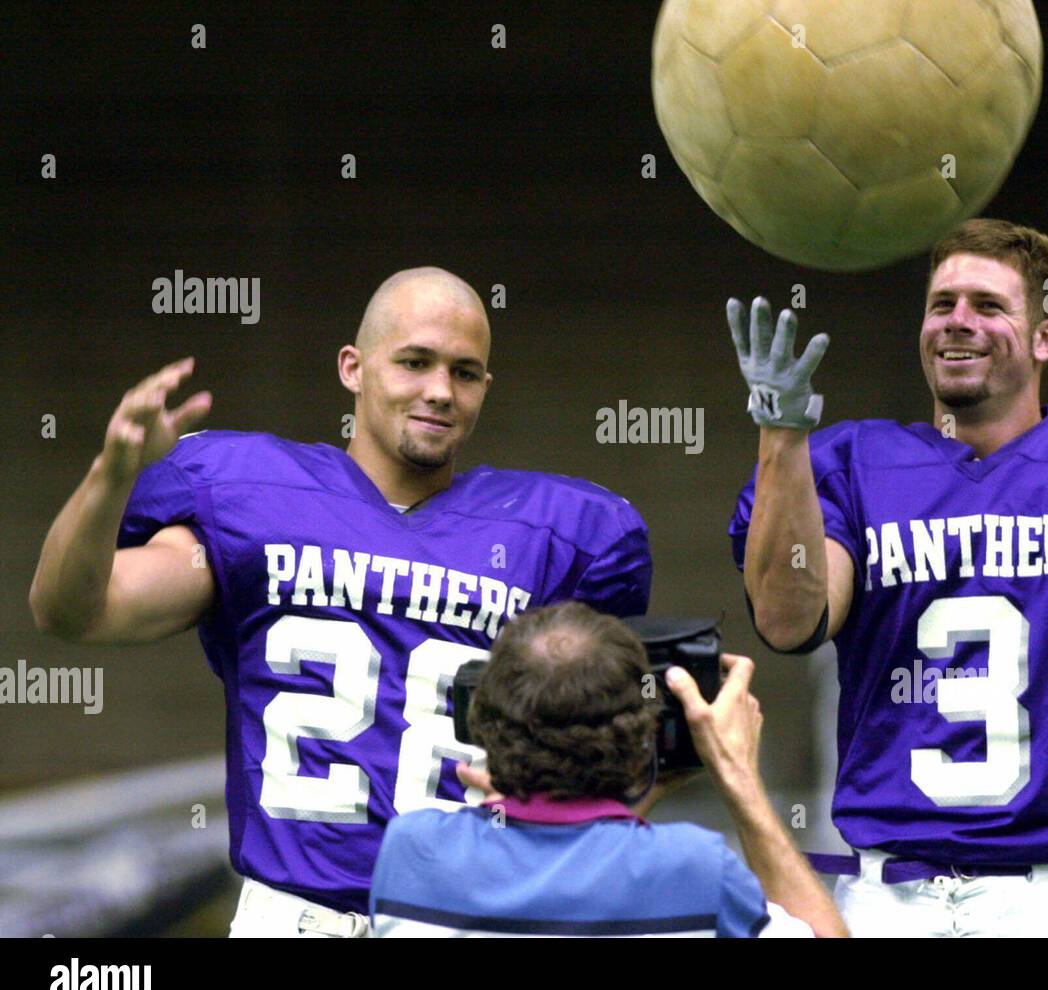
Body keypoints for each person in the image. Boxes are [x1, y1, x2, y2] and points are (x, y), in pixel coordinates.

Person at [28, 267, 652, 938]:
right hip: (290, 918)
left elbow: (616, 751)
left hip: (468, 918)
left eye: (464, 373)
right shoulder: (253, 498)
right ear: (353, 368)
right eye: (414, 362)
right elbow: (74, 611)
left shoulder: (550, 536)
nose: (439, 391)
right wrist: (109, 477)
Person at [726, 199, 1048, 937]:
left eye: (988, 305)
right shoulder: (854, 463)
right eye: (942, 303)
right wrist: (781, 434)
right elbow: (790, 621)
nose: (957, 320)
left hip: (1047, 896)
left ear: (1046, 337)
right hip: (888, 894)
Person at [369, 601, 847, 938]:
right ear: (643, 734)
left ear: (482, 722)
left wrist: (527, 788)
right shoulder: (694, 871)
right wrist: (738, 775)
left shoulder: (412, 849)